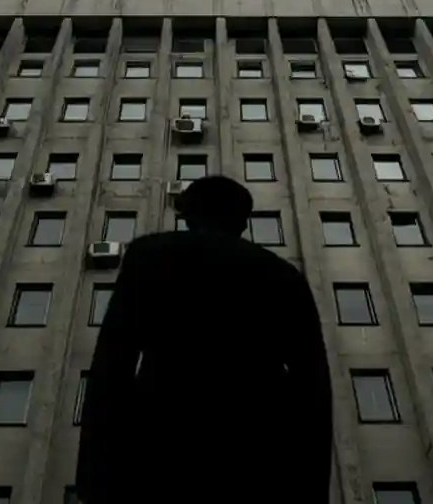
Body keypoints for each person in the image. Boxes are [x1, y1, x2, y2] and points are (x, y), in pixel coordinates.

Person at [76, 175, 333, 504]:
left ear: (189, 215)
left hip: (164, 444)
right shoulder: (283, 274)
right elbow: (312, 384)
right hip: (257, 455)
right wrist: (312, 488)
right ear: (242, 221)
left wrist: (95, 472)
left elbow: (113, 362)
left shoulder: (151, 255)